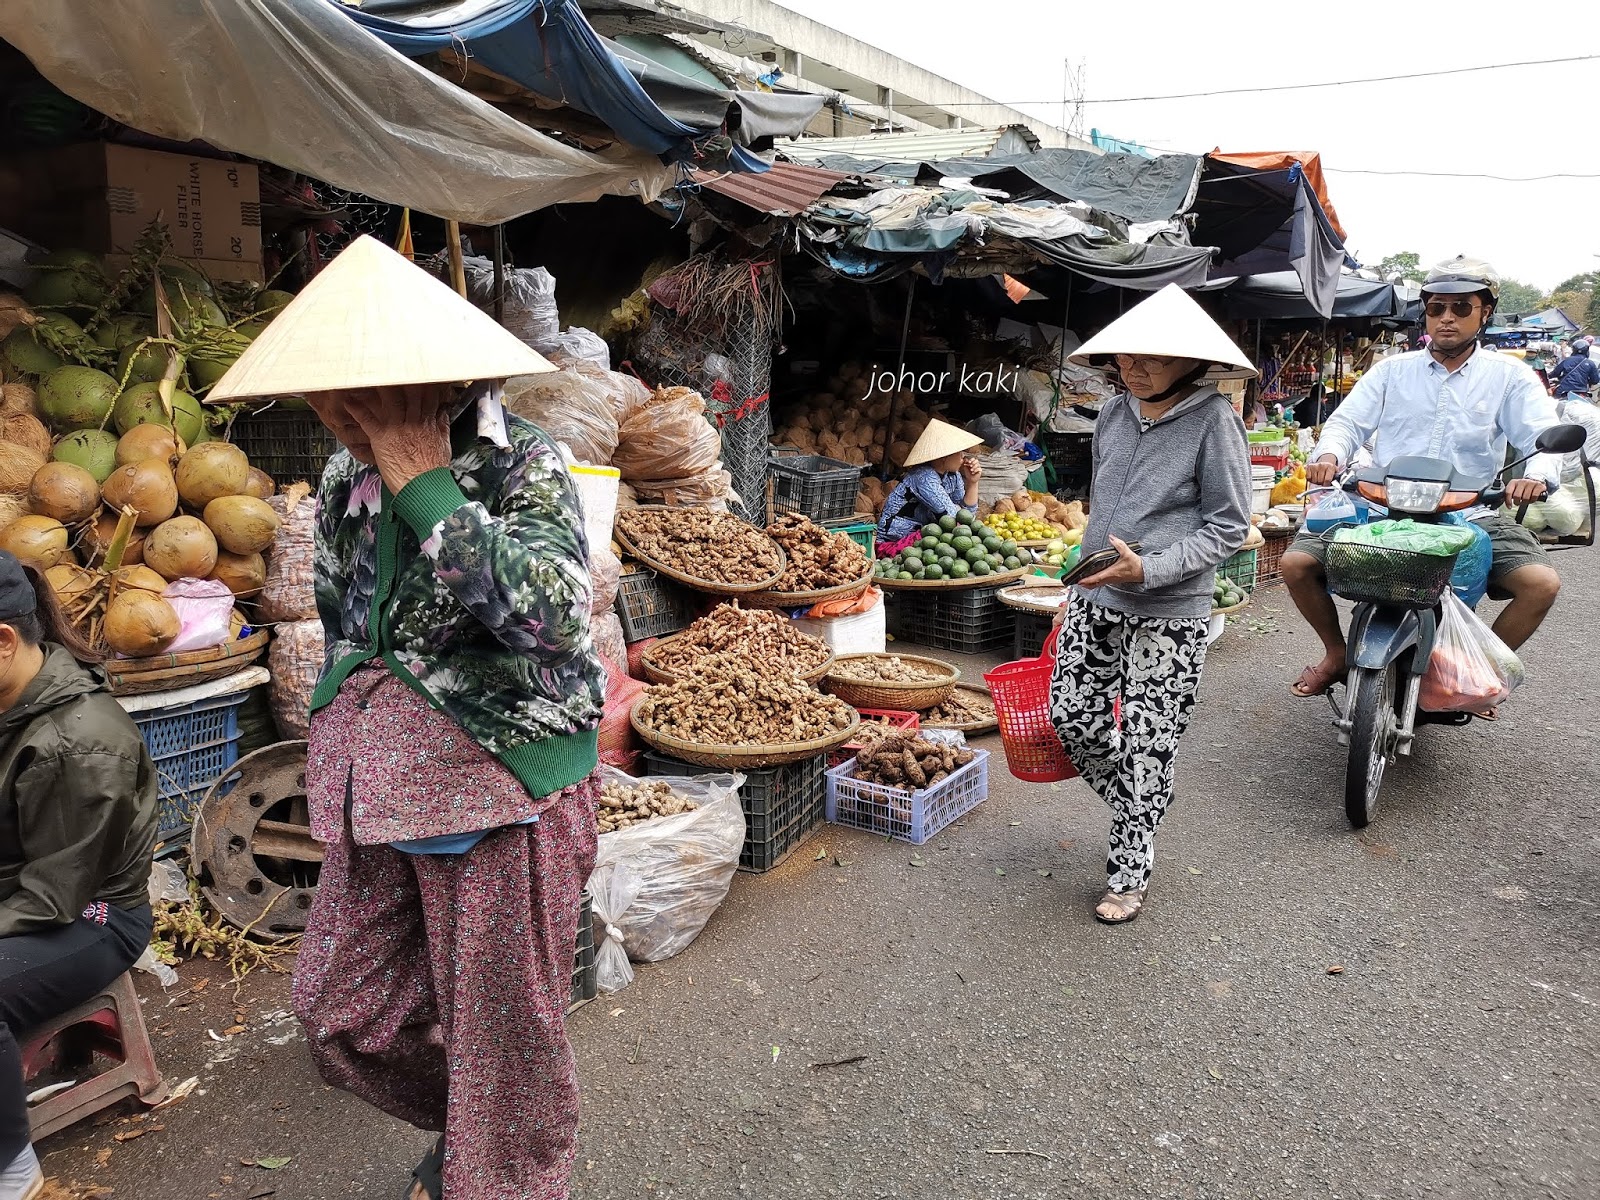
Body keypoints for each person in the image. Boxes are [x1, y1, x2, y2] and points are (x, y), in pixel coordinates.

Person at [207, 236, 604, 1200]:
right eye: (323, 396)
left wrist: (428, 486)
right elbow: (355, 625)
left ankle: (501, 1158)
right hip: (378, 786)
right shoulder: (344, 482)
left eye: (359, 398)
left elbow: (554, 617)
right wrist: (342, 719)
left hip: (499, 793)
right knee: (342, 1011)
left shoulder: (523, 466)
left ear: (435, 385)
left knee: (503, 1040)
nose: (334, 417)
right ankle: (489, 1127)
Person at [1046, 284, 1254, 925]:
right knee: (1072, 716)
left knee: (1147, 742)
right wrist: (1082, 572)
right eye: (1129, 355)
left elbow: (1229, 525)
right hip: (1096, 594)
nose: (1135, 367)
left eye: (1154, 358)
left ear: (1192, 362)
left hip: (1172, 612)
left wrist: (1152, 569)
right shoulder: (1111, 415)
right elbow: (1103, 503)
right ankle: (1140, 804)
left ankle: (1130, 865)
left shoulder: (1216, 422)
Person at [1283, 256, 1562, 698]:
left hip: (1473, 513)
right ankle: (1336, 653)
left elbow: (1540, 435)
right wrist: (1330, 454)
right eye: (1437, 308)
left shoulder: (1511, 377)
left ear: (1485, 312)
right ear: (1426, 312)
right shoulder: (1392, 370)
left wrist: (1537, 475)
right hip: (1383, 506)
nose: (1447, 318)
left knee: (1540, 585)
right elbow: (1346, 423)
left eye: (1461, 308)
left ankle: (1473, 670)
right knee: (1296, 564)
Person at [0, 552, 156, 1200]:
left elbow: (54, 894)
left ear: (3, 641)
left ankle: (15, 1175)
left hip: (92, 913)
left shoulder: (81, 741)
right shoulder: (15, 701)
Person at [874, 419, 983, 555]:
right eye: (959, 453)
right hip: (895, 544)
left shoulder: (952, 476)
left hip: (927, 535)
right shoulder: (924, 477)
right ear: (944, 456)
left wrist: (973, 482)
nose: (963, 458)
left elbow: (966, 515)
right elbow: (953, 519)